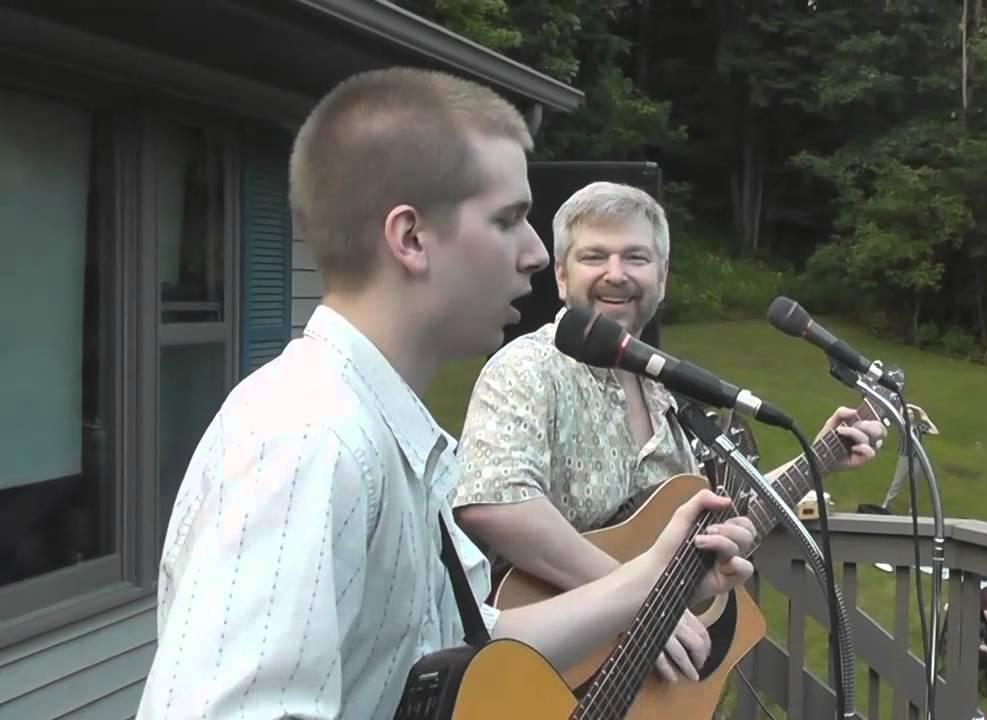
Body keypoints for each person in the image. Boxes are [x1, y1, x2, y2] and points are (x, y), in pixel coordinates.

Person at [134, 68, 758, 720]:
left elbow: (467, 646)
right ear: (411, 239)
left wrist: (651, 578)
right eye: (508, 220)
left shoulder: (389, 436)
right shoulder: (304, 440)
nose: (536, 254)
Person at [452, 180, 887, 683]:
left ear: (662, 278)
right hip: (539, 673)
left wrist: (820, 456)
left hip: (637, 687)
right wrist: (641, 601)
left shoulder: (670, 395)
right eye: (595, 256)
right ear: (562, 277)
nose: (616, 274)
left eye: (636, 258)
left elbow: (713, 522)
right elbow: (495, 503)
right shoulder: (527, 368)